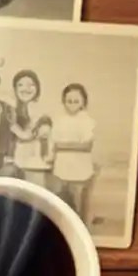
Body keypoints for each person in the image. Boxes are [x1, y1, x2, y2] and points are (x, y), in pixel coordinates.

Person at [51, 83, 96, 222]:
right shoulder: (59, 121)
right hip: (61, 169)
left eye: (76, 101)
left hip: (80, 171)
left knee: (78, 205)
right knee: (61, 203)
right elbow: (54, 143)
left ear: (83, 102)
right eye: (68, 101)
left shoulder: (87, 121)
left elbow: (86, 146)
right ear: (63, 102)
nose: (72, 104)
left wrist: (63, 145)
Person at [9, 69, 53, 187]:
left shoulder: (43, 110)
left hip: (36, 163)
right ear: (15, 89)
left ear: (37, 88)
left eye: (31, 85)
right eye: (20, 85)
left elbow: (44, 132)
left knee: (35, 199)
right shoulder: (11, 110)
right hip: (16, 163)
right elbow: (22, 134)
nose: (26, 89)